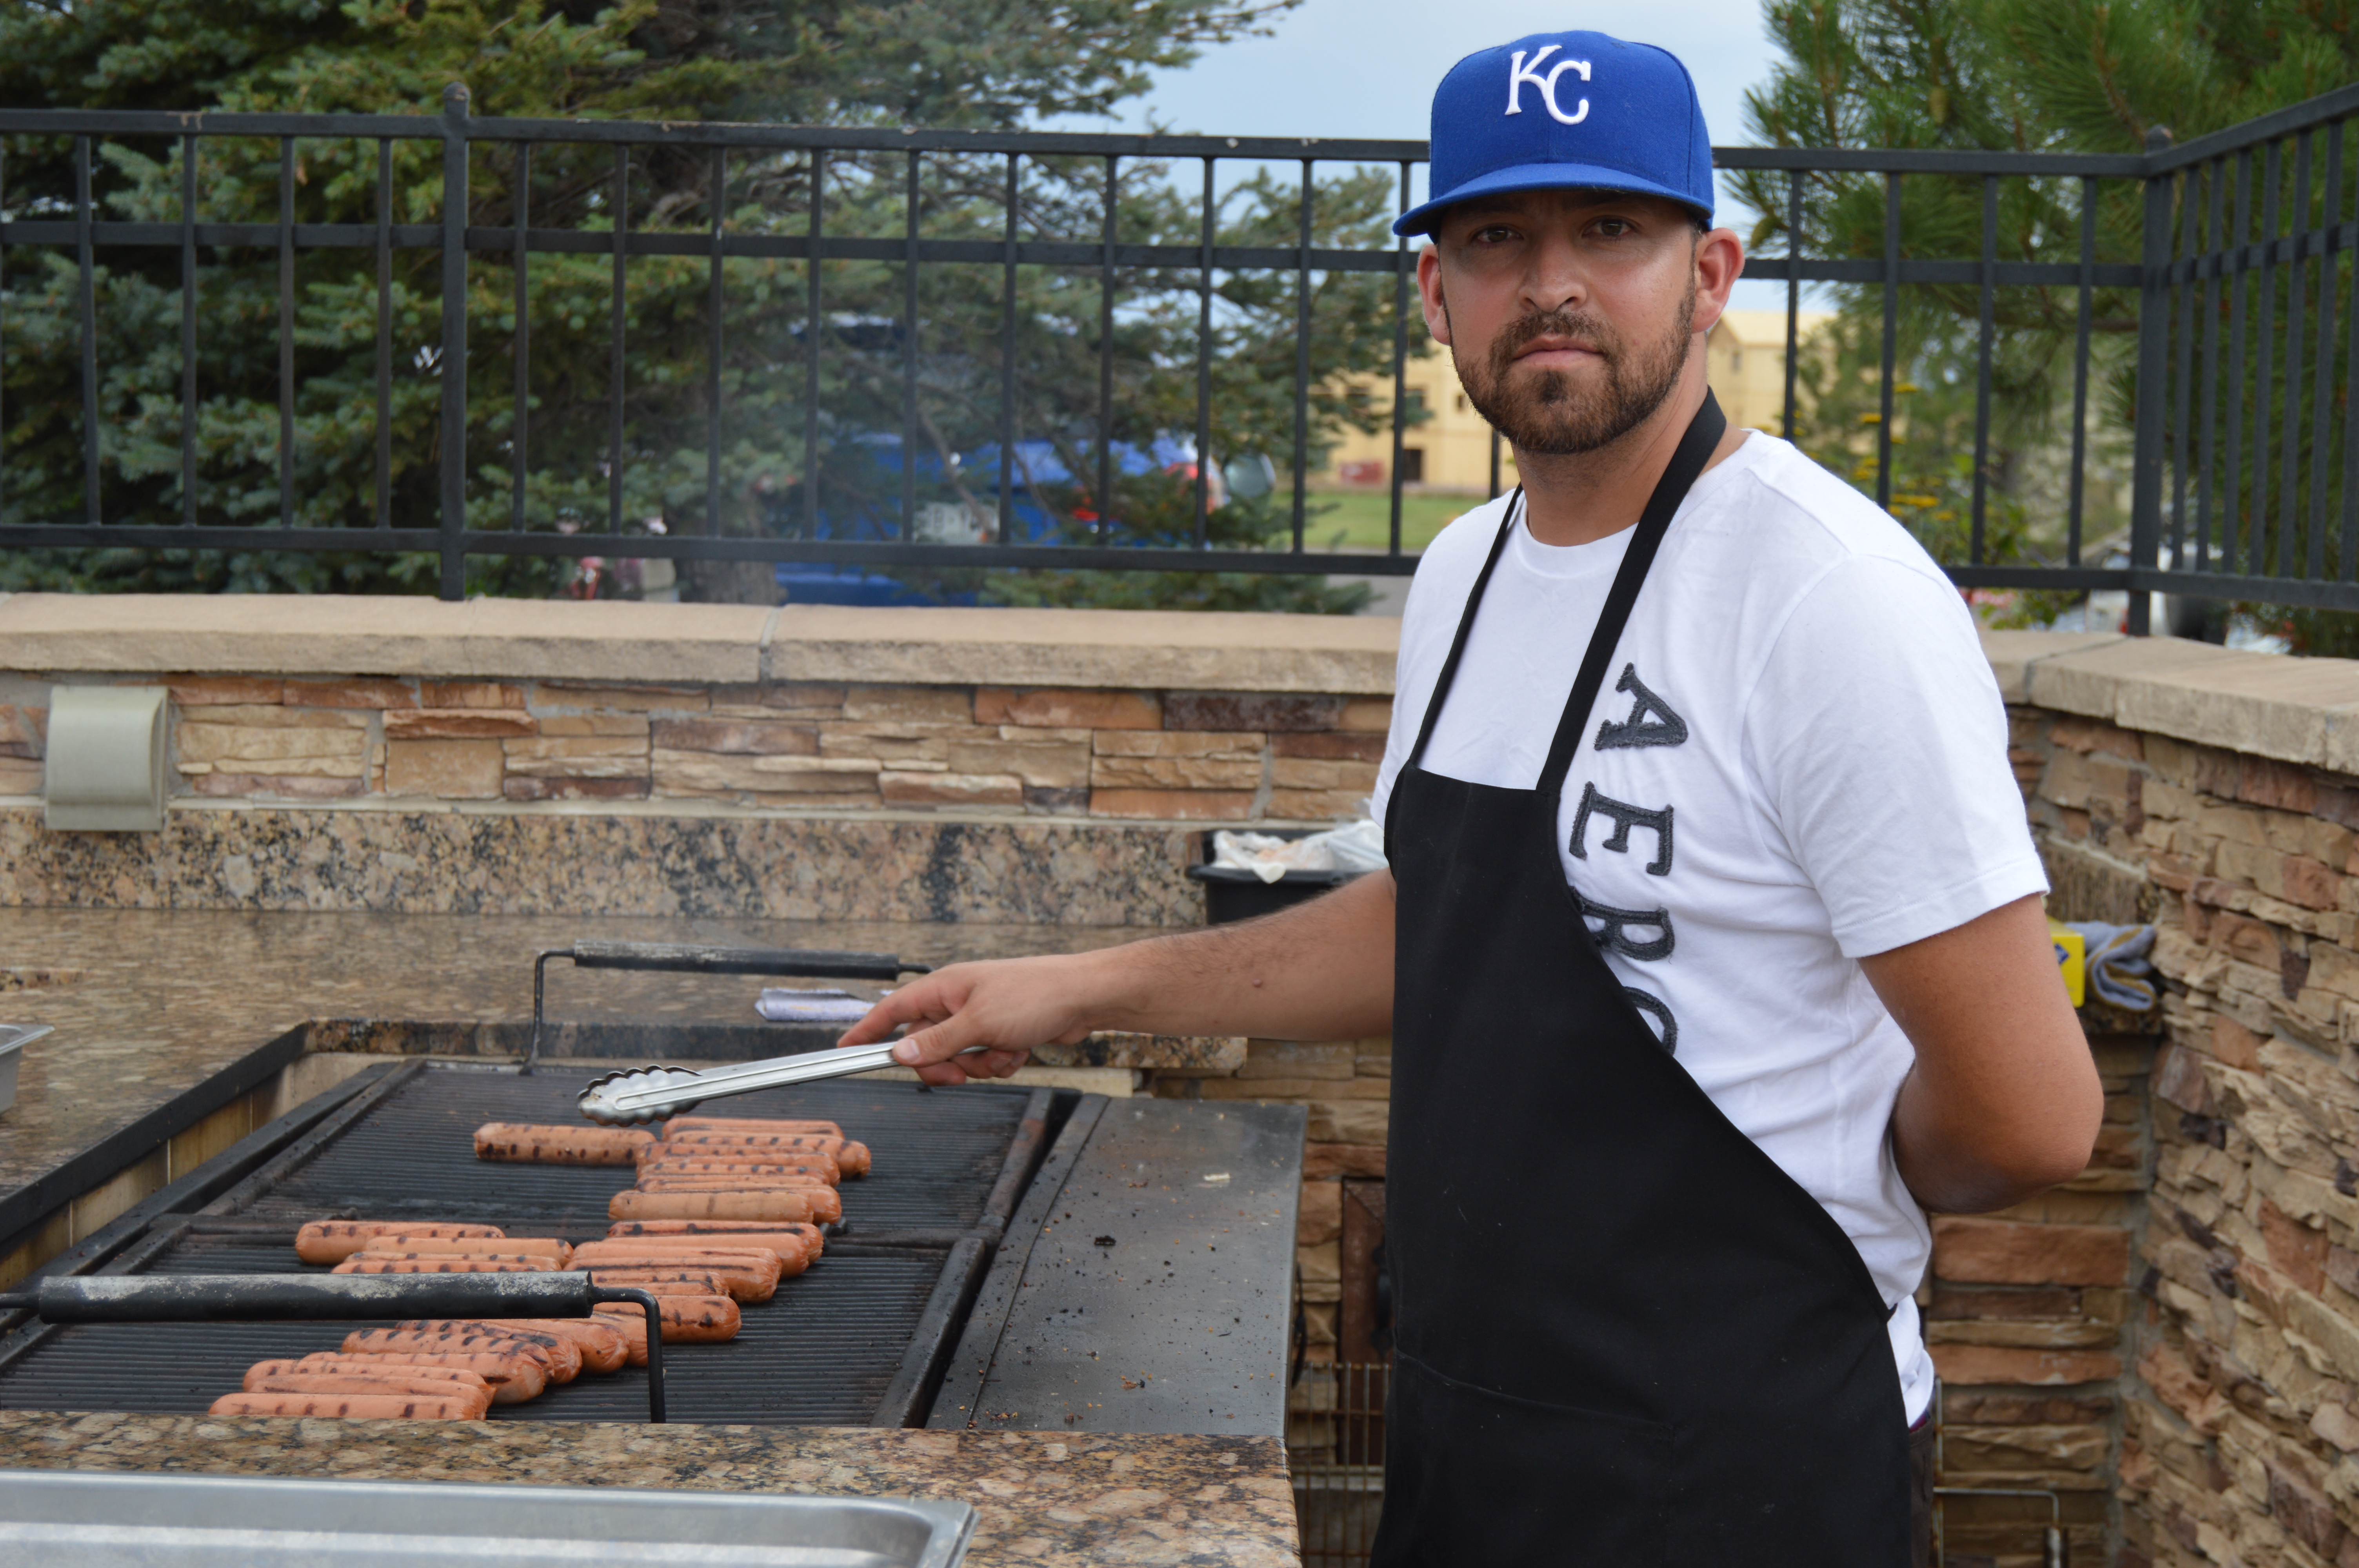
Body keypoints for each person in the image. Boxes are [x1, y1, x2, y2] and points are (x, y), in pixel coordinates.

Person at [843, 29, 2101, 1567]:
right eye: (1497, 237)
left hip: (1738, 1456)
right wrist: (1082, 986)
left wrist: (1826, 1183)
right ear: (1436, 292)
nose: (1550, 281)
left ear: (1710, 273)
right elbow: (1440, 919)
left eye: (1609, 233)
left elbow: (2030, 1116)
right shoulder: (1464, 572)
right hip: (1470, 1430)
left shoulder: (1822, 598)